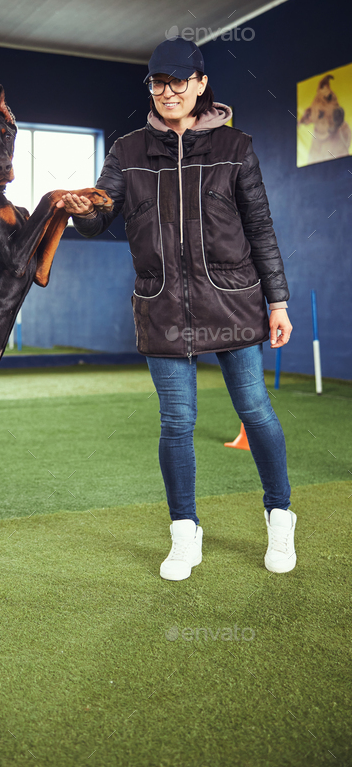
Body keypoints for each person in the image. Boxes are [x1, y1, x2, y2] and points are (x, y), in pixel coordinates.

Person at [57, 37, 296, 581]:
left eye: (178, 82)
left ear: (200, 84)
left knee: (256, 409)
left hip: (234, 301)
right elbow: (100, 217)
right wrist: (79, 210)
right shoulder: (127, 151)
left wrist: (276, 301)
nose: (168, 92)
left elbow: (260, 228)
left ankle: (279, 514)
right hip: (161, 305)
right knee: (176, 422)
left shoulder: (237, 146)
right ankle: (184, 533)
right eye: (157, 84)